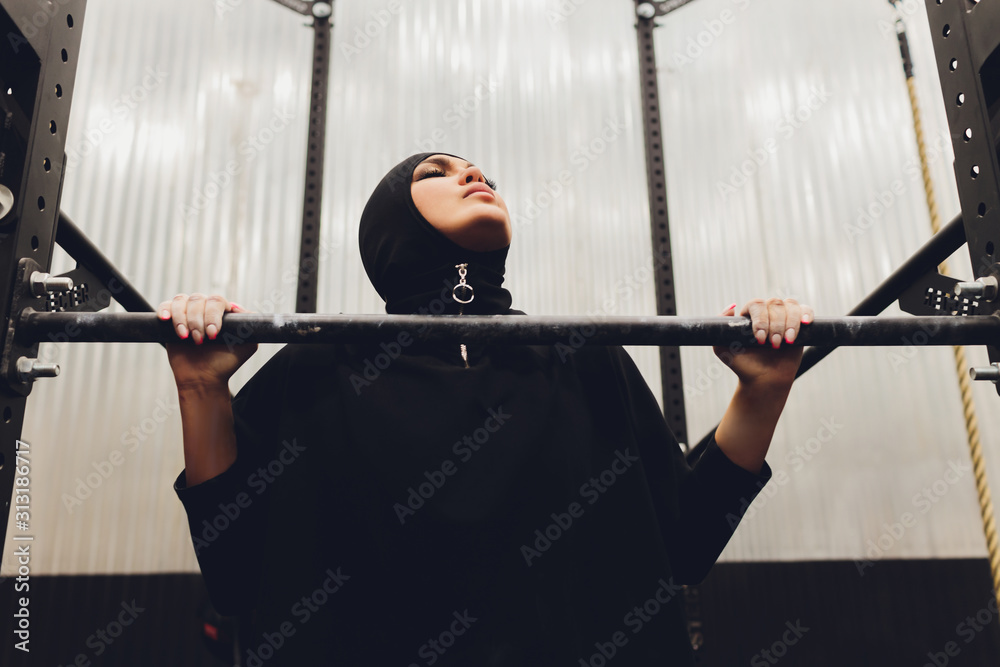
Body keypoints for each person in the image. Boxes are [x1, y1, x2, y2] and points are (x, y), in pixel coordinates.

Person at [162, 152, 813, 666]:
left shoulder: (583, 358)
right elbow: (235, 573)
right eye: (435, 172)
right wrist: (200, 388)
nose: (474, 175)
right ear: (391, 223)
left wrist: (764, 390)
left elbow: (686, 542)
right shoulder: (318, 365)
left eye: (480, 172)